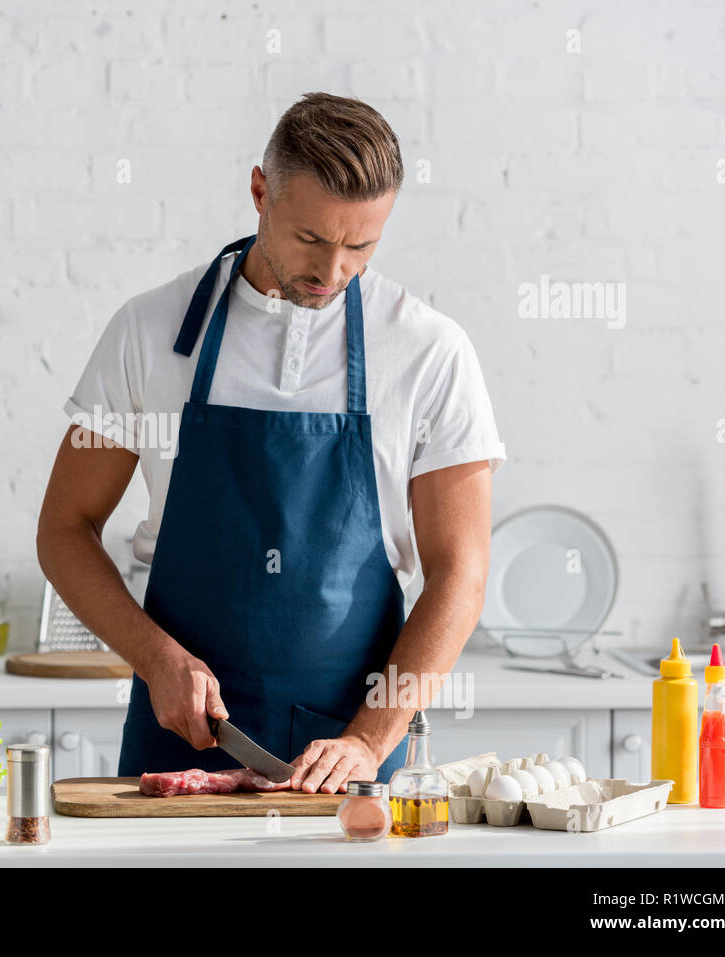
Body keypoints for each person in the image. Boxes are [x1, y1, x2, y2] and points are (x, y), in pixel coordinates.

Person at [36, 93, 505, 793]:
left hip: (351, 767)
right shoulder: (150, 330)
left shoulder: (429, 351)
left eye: (361, 246)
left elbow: (461, 570)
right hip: (177, 749)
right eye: (311, 239)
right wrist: (155, 658)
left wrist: (370, 739)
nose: (333, 270)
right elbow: (63, 529)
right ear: (260, 191)